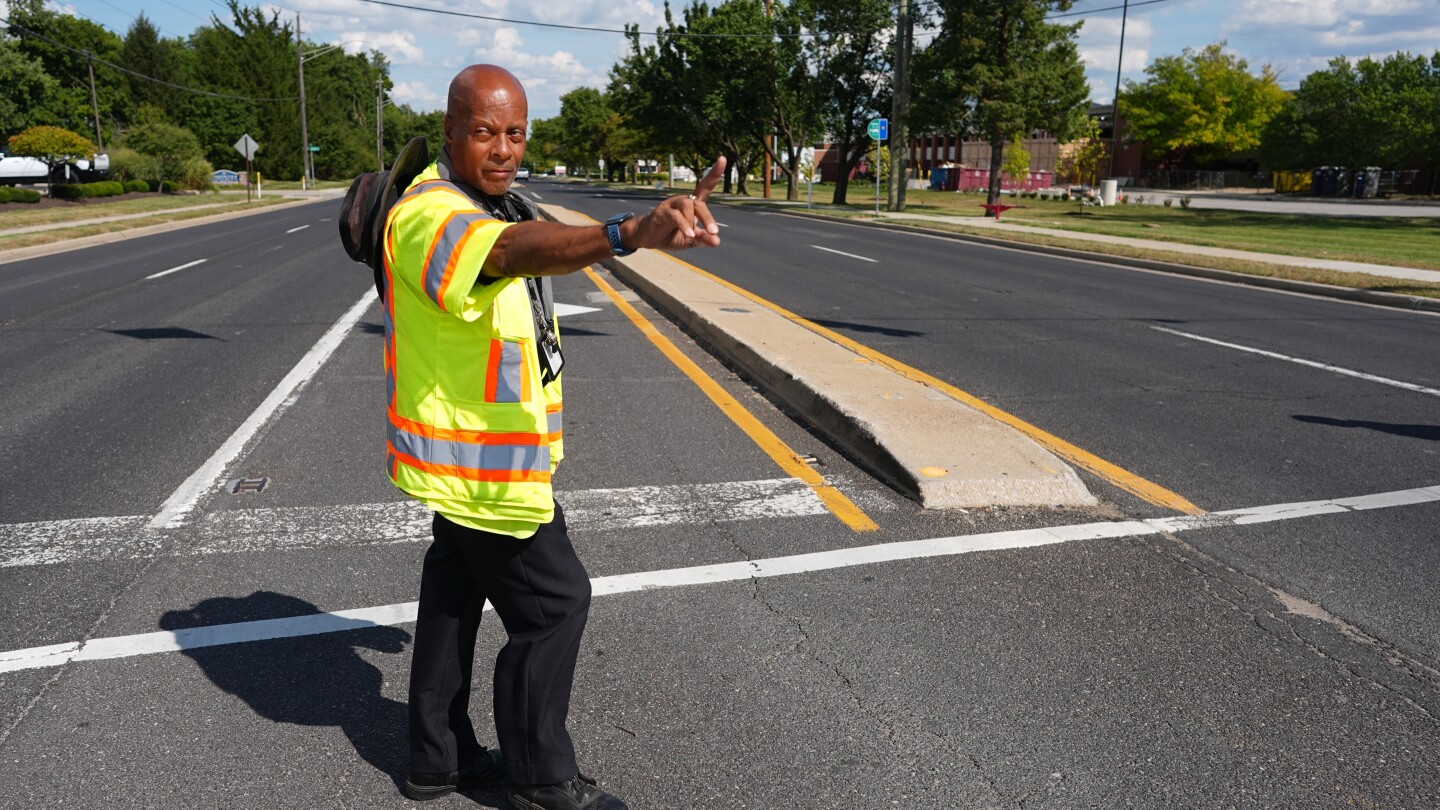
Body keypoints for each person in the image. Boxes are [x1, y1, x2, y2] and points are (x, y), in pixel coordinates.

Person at [383, 64, 724, 809]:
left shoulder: (493, 200)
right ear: (448, 133)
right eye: (483, 131)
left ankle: (435, 756)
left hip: (465, 460)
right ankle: (541, 778)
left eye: (515, 133)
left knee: (454, 590)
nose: (503, 148)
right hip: (482, 468)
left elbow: (527, 235)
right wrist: (627, 233)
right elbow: (508, 253)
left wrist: (655, 218)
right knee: (556, 605)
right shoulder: (428, 213)